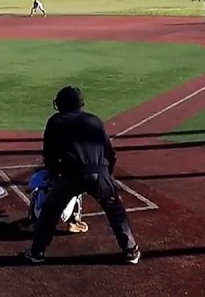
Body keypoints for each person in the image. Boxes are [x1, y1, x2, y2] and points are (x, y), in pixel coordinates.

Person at [21, 86, 140, 265]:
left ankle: (37, 253)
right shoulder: (95, 121)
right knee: (115, 211)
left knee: (50, 212)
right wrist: (108, 176)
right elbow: (109, 153)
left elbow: (49, 156)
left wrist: (54, 176)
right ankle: (130, 250)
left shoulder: (56, 121)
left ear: (60, 104)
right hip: (100, 173)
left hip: (71, 175)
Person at [24, 168, 87, 233]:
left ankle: (34, 221)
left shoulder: (41, 174)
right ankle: (73, 223)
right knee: (77, 192)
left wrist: (42, 185)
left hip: (41, 215)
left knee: (35, 192)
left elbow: (27, 190)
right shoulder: (70, 176)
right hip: (62, 215)